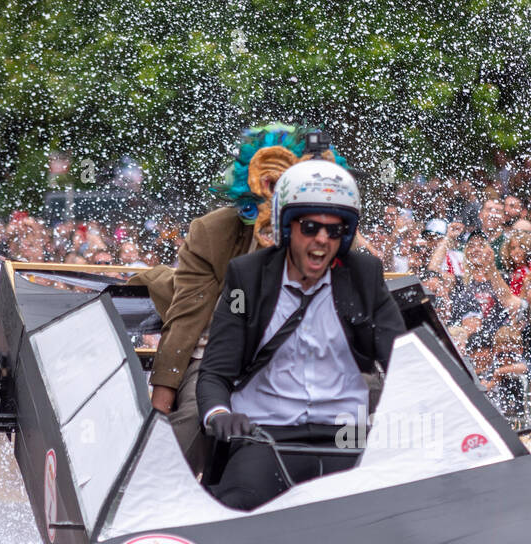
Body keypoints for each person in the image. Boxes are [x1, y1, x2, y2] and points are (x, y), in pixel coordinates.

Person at [196, 160, 405, 510]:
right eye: (310, 227)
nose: (322, 240)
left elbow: (402, 359)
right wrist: (219, 414)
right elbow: (216, 371)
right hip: (264, 434)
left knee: (389, 509)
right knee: (239, 505)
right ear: (286, 227)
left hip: (347, 436)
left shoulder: (364, 274)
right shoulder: (246, 277)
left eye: (334, 231)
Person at [147, 124, 341, 473]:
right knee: (193, 418)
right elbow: (188, 318)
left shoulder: (333, 235)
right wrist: (161, 405)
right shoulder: (213, 233)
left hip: (304, 359)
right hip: (218, 356)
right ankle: (152, 494)